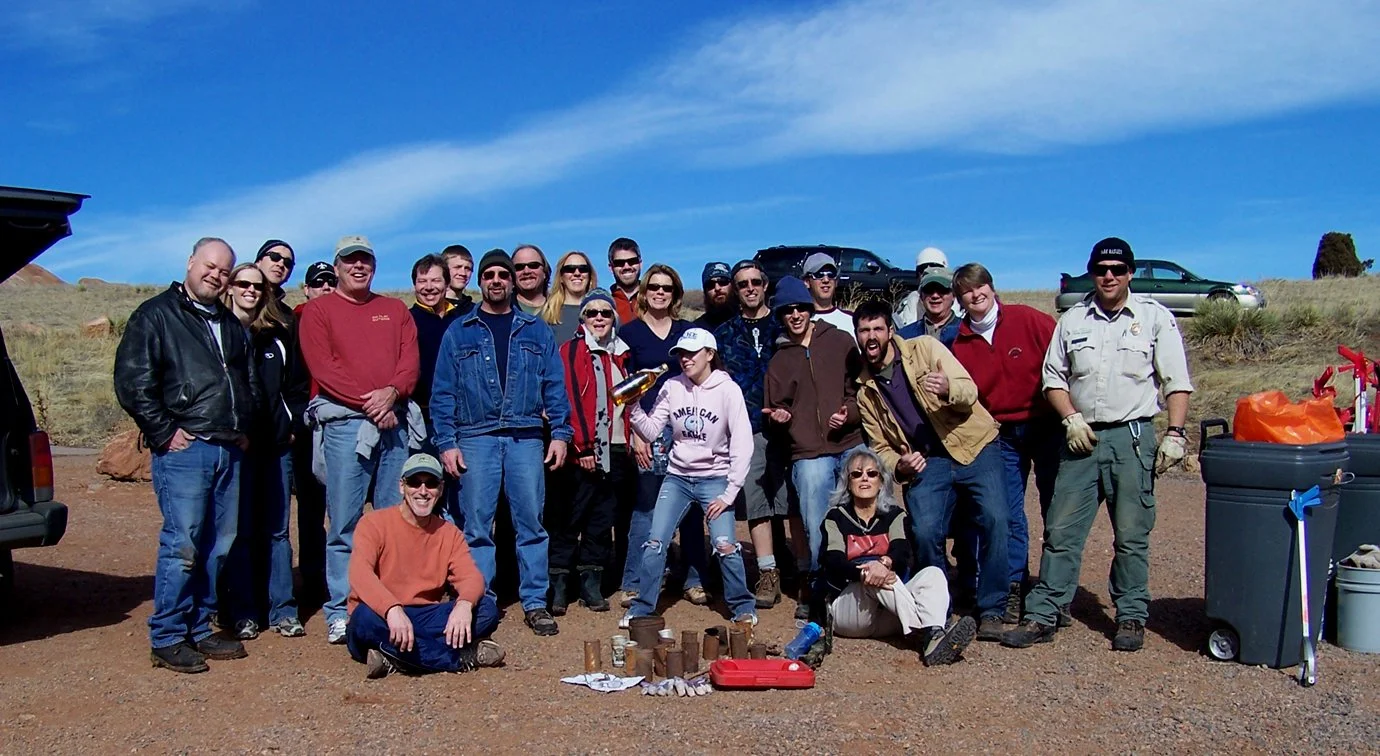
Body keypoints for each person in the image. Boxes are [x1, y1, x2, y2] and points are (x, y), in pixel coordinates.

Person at [1003, 238, 1192, 653]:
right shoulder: (1073, 320)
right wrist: (1070, 417)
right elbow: (1053, 379)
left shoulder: (1154, 317)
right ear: (1091, 273)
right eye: (1101, 269)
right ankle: (1044, 613)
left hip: (1132, 437)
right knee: (1061, 531)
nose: (1109, 276)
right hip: (1080, 437)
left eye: (1117, 269)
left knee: (1131, 533)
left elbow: (1176, 381)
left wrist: (1175, 434)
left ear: (1130, 273)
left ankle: (1131, 615)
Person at [114, 237, 260, 673]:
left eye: (224, 271)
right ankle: (167, 635)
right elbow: (133, 381)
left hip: (228, 448)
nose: (216, 275)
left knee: (219, 545)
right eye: (210, 266)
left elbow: (247, 378)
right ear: (191, 262)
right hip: (186, 449)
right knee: (183, 543)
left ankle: (199, 625)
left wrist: (245, 428)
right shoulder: (156, 315)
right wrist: (163, 431)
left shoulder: (229, 324)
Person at [431, 249, 572, 637]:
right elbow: (442, 392)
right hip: (475, 436)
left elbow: (554, 385)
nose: (496, 280)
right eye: (489, 274)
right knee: (477, 526)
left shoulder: (535, 330)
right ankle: (480, 600)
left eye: (503, 274)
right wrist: (446, 442)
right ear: (481, 281)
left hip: (525, 435)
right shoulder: (459, 331)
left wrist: (561, 433)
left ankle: (535, 602)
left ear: (511, 282)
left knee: (531, 524)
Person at [851, 299, 1010, 643]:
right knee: (922, 530)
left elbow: (968, 390)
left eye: (878, 328)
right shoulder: (865, 390)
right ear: (858, 337)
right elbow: (880, 448)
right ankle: (938, 608)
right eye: (864, 331)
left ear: (891, 331)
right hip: (926, 461)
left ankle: (993, 607)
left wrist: (948, 389)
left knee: (996, 518)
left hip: (974, 444)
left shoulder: (925, 349)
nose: (871, 336)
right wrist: (900, 465)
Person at [299, 235, 421, 645]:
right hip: (346, 426)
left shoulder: (394, 310)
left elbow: (409, 362)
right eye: (350, 260)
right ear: (337, 267)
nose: (358, 267)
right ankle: (341, 608)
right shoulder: (318, 311)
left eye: (365, 260)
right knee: (345, 522)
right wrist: (374, 403)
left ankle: (390, 603)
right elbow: (324, 367)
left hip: (395, 423)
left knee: (394, 519)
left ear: (374, 266)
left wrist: (393, 393)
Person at [622, 328, 757, 627]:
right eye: (681, 354)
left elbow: (743, 443)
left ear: (710, 354)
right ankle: (642, 608)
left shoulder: (728, 390)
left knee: (725, 545)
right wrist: (633, 405)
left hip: (716, 478)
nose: (685, 359)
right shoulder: (672, 386)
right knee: (655, 542)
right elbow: (651, 431)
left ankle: (742, 606)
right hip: (678, 477)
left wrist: (729, 493)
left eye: (692, 353)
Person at [948, 262, 1059, 625]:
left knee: (1056, 509)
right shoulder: (960, 343)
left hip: (1046, 423)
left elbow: (1063, 359)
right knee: (1008, 513)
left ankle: (1055, 591)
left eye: (980, 287)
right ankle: (1013, 584)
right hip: (1001, 433)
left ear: (992, 288)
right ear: (960, 300)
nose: (975, 295)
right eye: (966, 291)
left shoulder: (1028, 320)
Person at [345, 453, 503, 678]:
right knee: (363, 619)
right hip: (381, 615)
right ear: (402, 486)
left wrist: (464, 604)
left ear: (440, 489)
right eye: (414, 482)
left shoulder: (449, 533)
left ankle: (394, 658)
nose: (422, 491)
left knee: (486, 609)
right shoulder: (373, 523)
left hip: (424, 615)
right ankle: (459, 658)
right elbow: (360, 574)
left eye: (430, 483)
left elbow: (471, 577)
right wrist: (391, 609)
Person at [763, 276, 865, 619]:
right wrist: (781, 418)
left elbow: (859, 390)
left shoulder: (840, 341)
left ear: (809, 309)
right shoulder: (779, 361)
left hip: (849, 441)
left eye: (800, 308)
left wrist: (848, 413)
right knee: (815, 512)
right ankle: (821, 583)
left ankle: (878, 577)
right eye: (787, 310)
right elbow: (775, 409)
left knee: (874, 498)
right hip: (808, 450)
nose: (794, 315)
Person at [819, 448, 977, 665]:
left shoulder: (894, 515)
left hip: (891, 615)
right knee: (875, 577)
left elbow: (901, 552)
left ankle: (932, 634)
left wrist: (884, 563)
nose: (864, 478)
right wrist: (867, 572)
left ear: (881, 482)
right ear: (848, 482)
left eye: (871, 474)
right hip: (851, 612)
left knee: (933, 574)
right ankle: (930, 632)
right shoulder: (835, 517)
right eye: (856, 474)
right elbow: (833, 561)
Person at [220, 263, 308, 640]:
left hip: (275, 446)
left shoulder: (277, 336)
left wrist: (291, 425)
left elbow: (296, 386)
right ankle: (244, 610)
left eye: (257, 286)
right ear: (229, 287)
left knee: (276, 530)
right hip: (235, 449)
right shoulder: (219, 334)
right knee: (239, 530)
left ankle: (283, 609)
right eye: (243, 284)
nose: (250, 291)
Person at [615, 265, 706, 609]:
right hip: (648, 426)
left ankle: (694, 580)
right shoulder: (630, 333)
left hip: (687, 427)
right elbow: (624, 388)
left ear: (675, 294)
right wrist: (636, 433)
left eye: (667, 288)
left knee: (692, 505)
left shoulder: (687, 332)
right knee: (647, 506)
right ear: (644, 291)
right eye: (654, 286)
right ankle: (635, 581)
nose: (660, 293)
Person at [549, 289, 636, 615]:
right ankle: (559, 583)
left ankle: (591, 582)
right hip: (583, 449)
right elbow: (571, 398)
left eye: (605, 313)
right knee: (570, 517)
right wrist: (584, 446)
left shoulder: (621, 355)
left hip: (616, 447)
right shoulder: (573, 350)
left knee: (602, 517)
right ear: (582, 318)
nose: (599, 318)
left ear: (614, 318)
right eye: (592, 313)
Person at [714, 260, 792, 610]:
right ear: (735, 289)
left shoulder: (785, 324)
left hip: (790, 427)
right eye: (742, 283)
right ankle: (767, 571)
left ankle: (803, 570)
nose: (750, 288)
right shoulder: (725, 334)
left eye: (755, 282)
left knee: (792, 502)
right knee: (757, 501)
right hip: (748, 428)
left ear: (765, 285)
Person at [291, 261, 335, 607]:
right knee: (310, 507)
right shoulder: (294, 322)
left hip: (339, 424)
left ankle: (344, 578)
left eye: (331, 282)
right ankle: (312, 577)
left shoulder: (345, 319)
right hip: (306, 426)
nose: (326, 288)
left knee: (343, 507)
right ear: (306, 289)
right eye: (318, 283)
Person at [409, 254, 461, 429]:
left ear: (447, 284)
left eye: (436, 281)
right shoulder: (406, 321)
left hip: (460, 417)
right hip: (420, 418)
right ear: (415, 285)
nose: (429, 287)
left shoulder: (462, 321)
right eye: (422, 281)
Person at [541, 250, 598, 343]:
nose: (577, 273)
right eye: (570, 269)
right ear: (561, 277)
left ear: (590, 276)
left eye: (583, 269)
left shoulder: (604, 312)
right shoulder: (546, 314)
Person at [897, 266, 961, 345]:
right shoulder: (903, 337)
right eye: (929, 289)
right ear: (921, 296)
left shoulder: (967, 333)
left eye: (942, 290)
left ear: (954, 295)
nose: (935, 296)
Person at [893, 247, 951, 329]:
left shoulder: (962, 311)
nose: (928, 271)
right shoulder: (906, 308)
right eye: (922, 268)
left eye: (934, 267)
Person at [801, 252, 855, 338]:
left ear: (836, 281)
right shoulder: (799, 322)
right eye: (819, 275)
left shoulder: (852, 320)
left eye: (831, 274)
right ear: (806, 282)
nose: (826, 280)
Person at [607, 237, 642, 324]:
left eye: (632, 261)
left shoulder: (654, 300)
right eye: (619, 263)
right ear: (611, 268)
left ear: (640, 263)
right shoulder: (605, 305)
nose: (626, 267)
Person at [694, 261, 736, 331]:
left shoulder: (748, 320)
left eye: (723, 281)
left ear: (733, 285)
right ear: (705, 292)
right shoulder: (697, 329)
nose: (717, 288)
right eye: (710, 284)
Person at [512, 243, 550, 315]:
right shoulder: (501, 310)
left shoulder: (561, 309)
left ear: (545, 271)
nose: (526, 271)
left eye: (533, 265)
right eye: (519, 267)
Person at [254, 239, 296, 304]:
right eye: (275, 256)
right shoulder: (239, 300)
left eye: (288, 262)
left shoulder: (285, 310)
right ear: (258, 262)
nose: (281, 264)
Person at [441, 244, 475, 316]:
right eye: (457, 267)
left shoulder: (475, 312)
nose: (463, 273)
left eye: (467, 269)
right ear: (444, 269)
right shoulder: (433, 309)